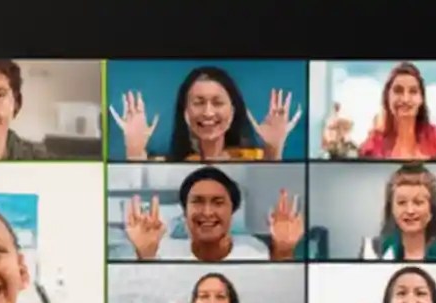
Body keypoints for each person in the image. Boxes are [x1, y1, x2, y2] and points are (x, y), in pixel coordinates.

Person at [110, 66, 301, 162]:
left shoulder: (258, 157)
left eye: (217, 103)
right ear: (185, 111)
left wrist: (274, 148)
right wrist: (134, 149)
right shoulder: (165, 163)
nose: (208, 112)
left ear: (233, 110)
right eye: (198, 103)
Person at [123, 166, 303, 261]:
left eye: (218, 202)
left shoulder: (255, 252)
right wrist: (144, 253)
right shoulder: (163, 253)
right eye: (197, 201)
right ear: (185, 211)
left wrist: (284, 250)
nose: (207, 212)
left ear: (233, 210)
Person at [364, 163, 436, 261]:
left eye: (418, 202)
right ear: (392, 209)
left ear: (431, 210)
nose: (410, 211)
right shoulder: (374, 254)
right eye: (401, 203)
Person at [358, 62, 436, 160]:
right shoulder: (372, 147)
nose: (405, 99)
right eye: (398, 91)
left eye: (413, 91)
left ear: (421, 98)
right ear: (387, 97)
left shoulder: (435, 139)